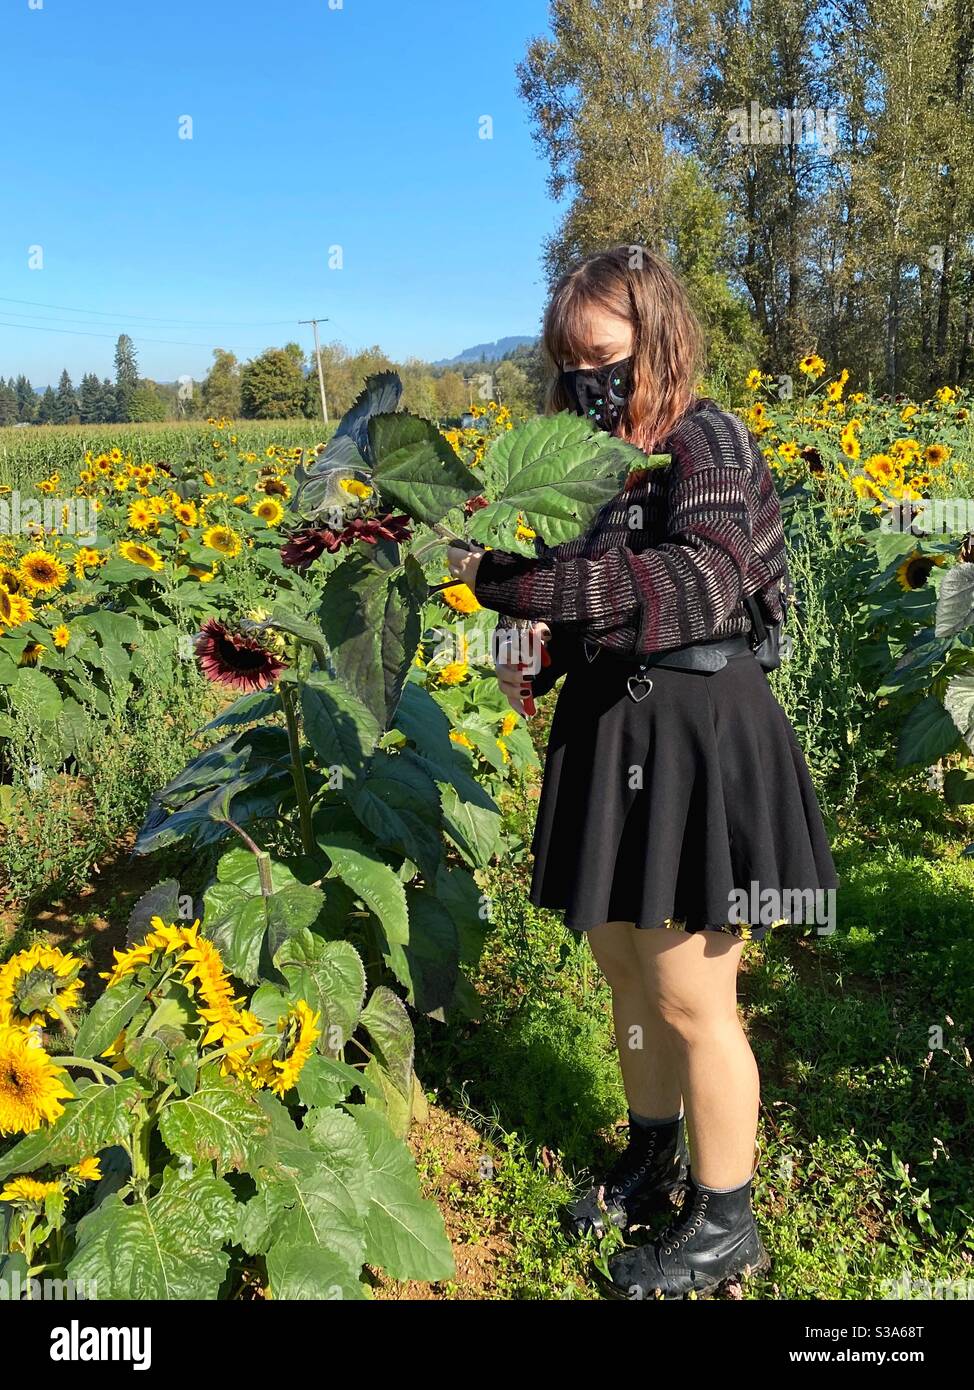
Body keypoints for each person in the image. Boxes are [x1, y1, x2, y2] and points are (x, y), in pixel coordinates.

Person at [446, 245, 838, 1300]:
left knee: (689, 990)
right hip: (614, 728)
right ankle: (652, 1151)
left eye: (605, 359)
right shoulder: (586, 462)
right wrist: (519, 637)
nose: (588, 382)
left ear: (655, 342)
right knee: (623, 961)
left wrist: (530, 589)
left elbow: (704, 580)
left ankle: (724, 1220)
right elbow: (576, 603)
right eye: (570, 362)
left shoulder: (703, 437)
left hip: (697, 729)